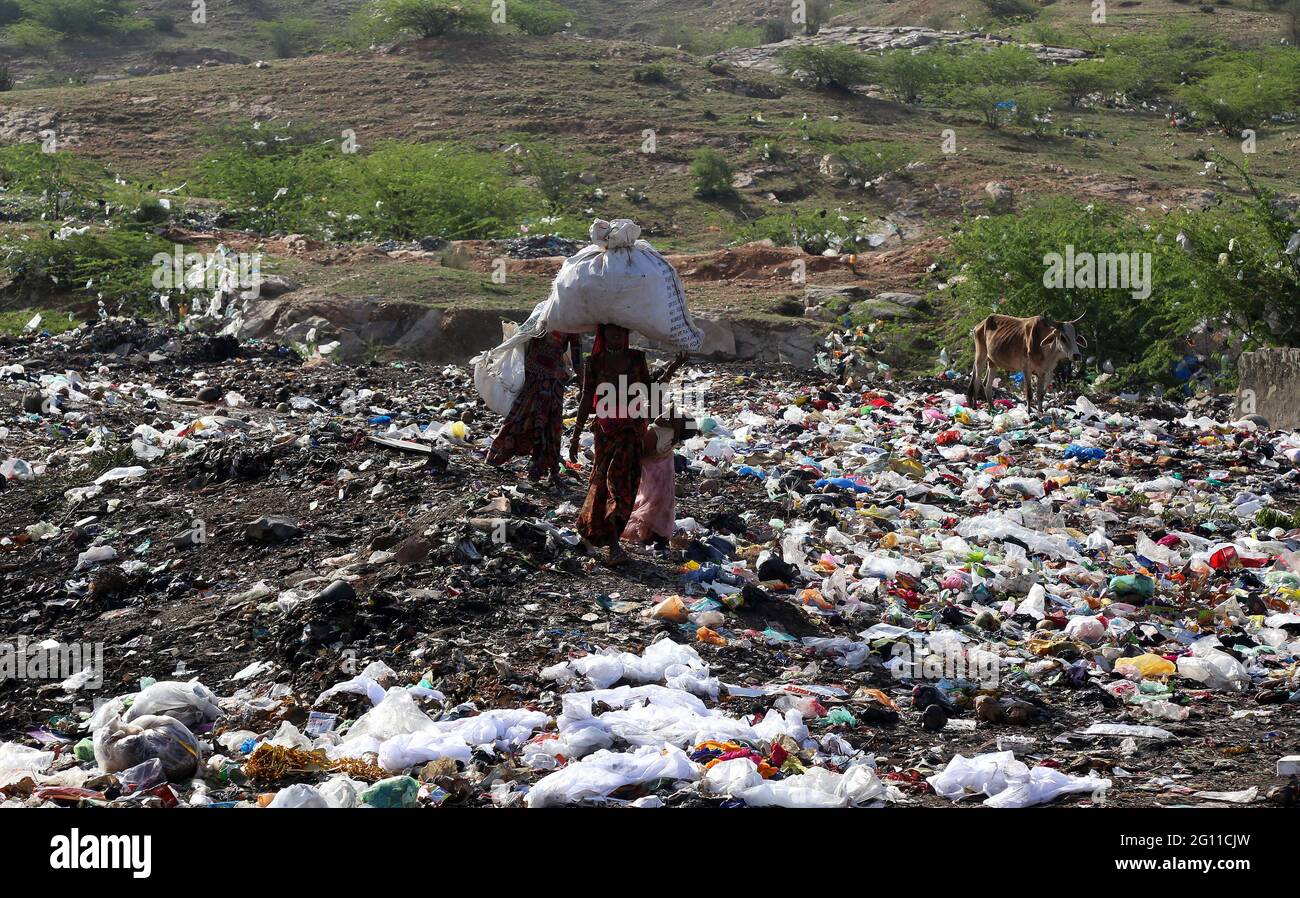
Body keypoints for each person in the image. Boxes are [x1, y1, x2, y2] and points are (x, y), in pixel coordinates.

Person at [570, 323, 686, 565]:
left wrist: (672, 368)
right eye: (612, 331)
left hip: (632, 435)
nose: (616, 336)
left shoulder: (636, 359)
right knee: (604, 484)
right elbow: (585, 398)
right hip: (606, 436)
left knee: (623, 487)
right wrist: (575, 435)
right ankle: (611, 545)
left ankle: (611, 542)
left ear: (627, 334)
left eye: (621, 332)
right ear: (604, 334)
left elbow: (650, 393)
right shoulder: (595, 362)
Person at [486, 330, 582, 485]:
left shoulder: (569, 321)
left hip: (552, 380)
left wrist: (582, 381)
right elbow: (526, 335)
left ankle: (541, 469)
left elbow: (577, 353)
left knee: (549, 425)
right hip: (534, 375)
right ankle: (497, 456)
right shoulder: (547, 315)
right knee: (521, 417)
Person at [622, 409, 690, 547]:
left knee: (657, 502)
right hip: (655, 473)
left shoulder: (662, 431)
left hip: (659, 473)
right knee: (653, 503)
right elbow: (645, 451)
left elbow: (644, 451)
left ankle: (655, 535)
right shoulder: (661, 431)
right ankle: (651, 534)